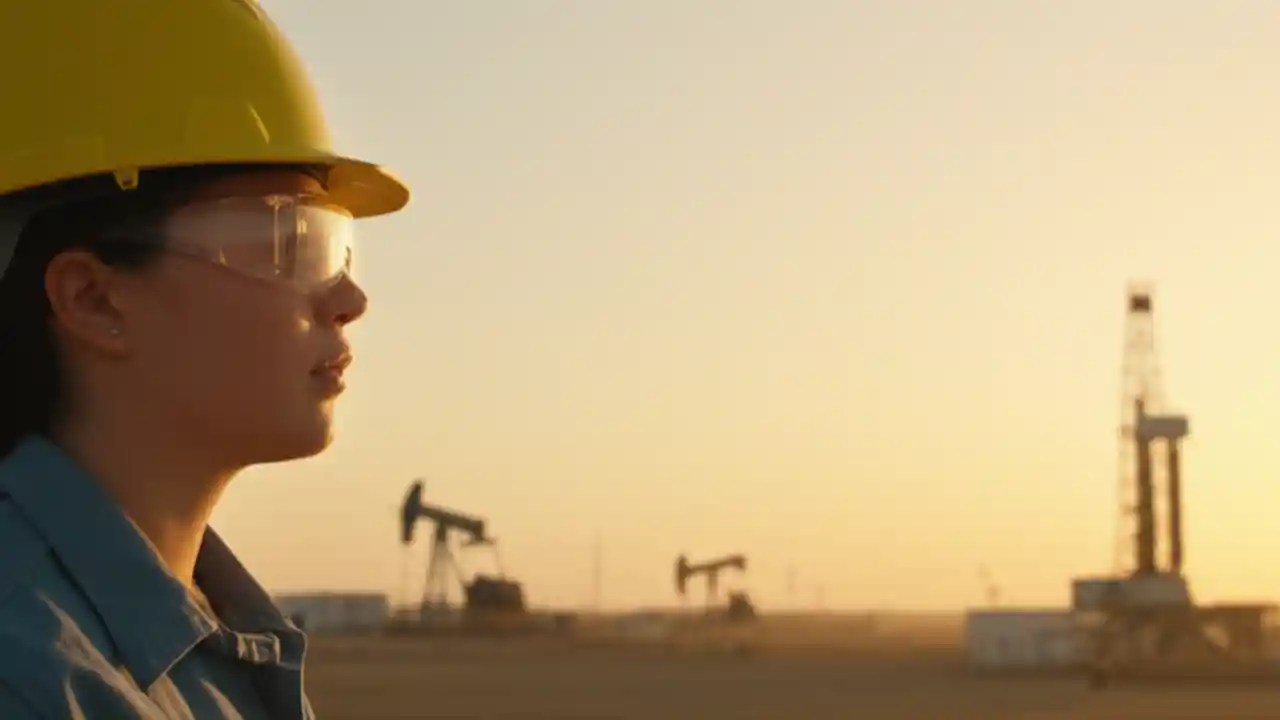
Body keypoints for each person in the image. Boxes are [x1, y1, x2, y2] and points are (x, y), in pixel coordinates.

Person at [0, 1, 409, 717]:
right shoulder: (30, 679)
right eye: (293, 241)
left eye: (338, 244)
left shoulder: (219, 649)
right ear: (93, 299)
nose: (349, 296)